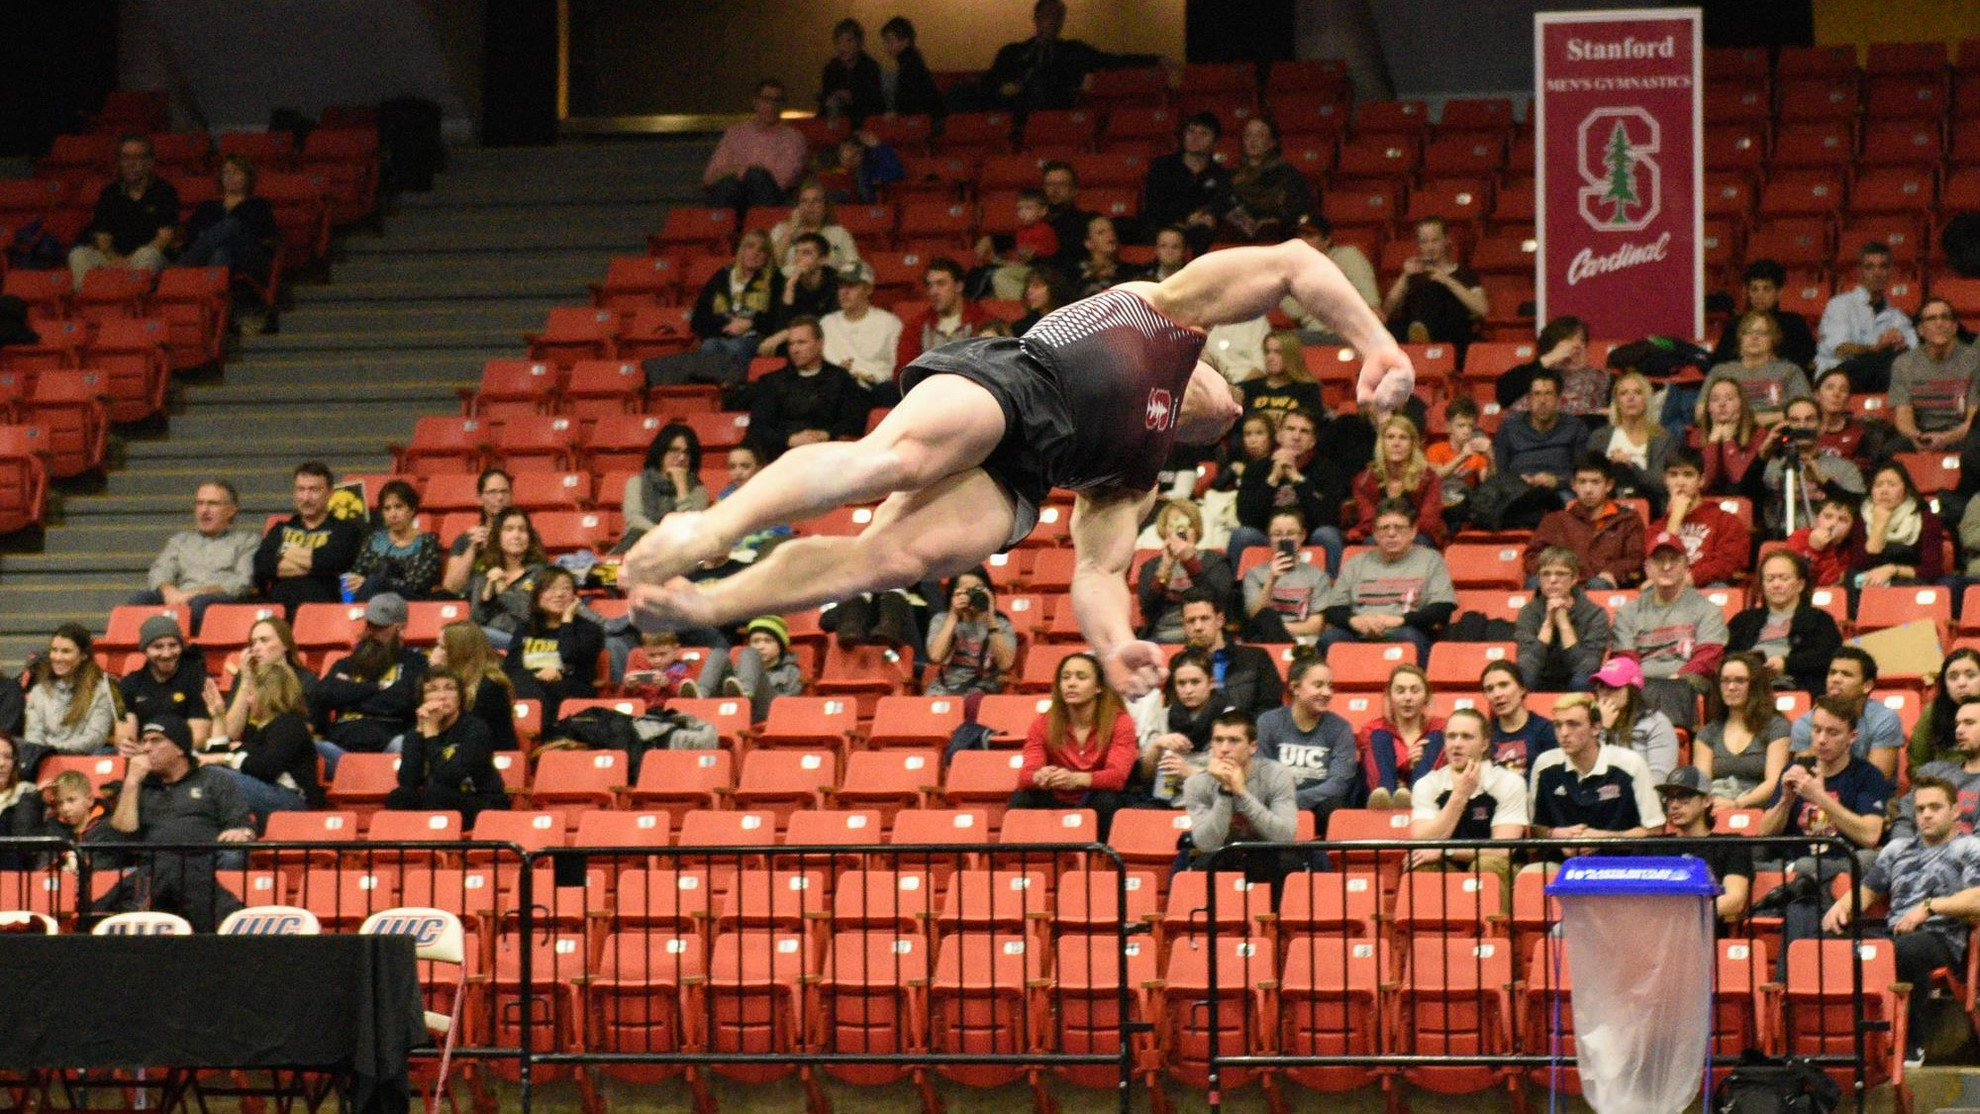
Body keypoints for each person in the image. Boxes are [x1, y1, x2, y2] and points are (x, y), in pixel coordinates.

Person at [624, 237, 1416, 701]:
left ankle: (704, 601)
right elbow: (1295, 265)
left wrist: (1113, 646)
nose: (1231, 409)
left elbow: (1100, 572)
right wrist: (1375, 343)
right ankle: (710, 526)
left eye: (1223, 420)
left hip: (1026, 475)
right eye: (1227, 396)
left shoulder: (1137, 468)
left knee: (890, 560)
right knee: (892, 460)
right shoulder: (1168, 309)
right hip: (1018, 380)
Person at [1820, 776, 1980, 1066]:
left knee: (1906, 949)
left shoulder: (1970, 848)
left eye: (1935, 807)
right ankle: (1839, 1040)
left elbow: (1977, 900)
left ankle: (1911, 1042)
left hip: (1943, 938)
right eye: (1920, 809)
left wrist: (1929, 907)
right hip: (1895, 934)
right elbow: (1866, 893)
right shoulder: (1897, 849)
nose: (1926, 815)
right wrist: (1839, 910)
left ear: (1955, 812)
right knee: (1833, 945)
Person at [98, 714, 254, 932]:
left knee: (173, 865)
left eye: (156, 740)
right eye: (144, 741)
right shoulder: (141, 786)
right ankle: (230, 922)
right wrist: (132, 782)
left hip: (201, 863)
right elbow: (123, 834)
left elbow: (239, 822)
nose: (146, 748)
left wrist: (241, 832)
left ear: (180, 749)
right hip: (153, 869)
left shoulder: (213, 779)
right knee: (164, 865)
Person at [1010, 651, 1139, 839]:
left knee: (1107, 799)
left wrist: (1075, 779)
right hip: (1055, 796)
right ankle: (1016, 861)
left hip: (1094, 798)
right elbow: (1025, 776)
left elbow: (1117, 777)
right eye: (1065, 677)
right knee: (1022, 796)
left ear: (1098, 687)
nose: (1071, 683)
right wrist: (1040, 776)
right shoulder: (1043, 722)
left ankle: (1099, 861)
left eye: (1081, 677)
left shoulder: (1120, 722)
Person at [1764, 695, 1893, 881]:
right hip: (1797, 867)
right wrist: (1785, 800)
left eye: (1833, 732)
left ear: (1852, 737)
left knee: (1865, 860)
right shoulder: (1795, 769)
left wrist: (1819, 798)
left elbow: (1870, 835)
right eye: (1817, 730)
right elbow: (1765, 834)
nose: (1822, 739)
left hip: (1843, 868)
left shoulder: (1868, 775)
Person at [1610, 531, 1729, 730]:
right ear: (1647, 568)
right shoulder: (1628, 612)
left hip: (1686, 684)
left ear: (1686, 566)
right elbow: (1625, 659)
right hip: (1640, 685)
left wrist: (1675, 681)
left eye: (1673, 560)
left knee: (1676, 690)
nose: (1666, 567)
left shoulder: (1707, 610)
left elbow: (1708, 658)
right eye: (1658, 561)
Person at [1319, 499, 1458, 664]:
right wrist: (1354, 621)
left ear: (1413, 531)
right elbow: (1333, 609)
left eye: (1399, 528)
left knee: (1405, 636)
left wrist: (1400, 620)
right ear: (1375, 533)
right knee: (1330, 638)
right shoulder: (1356, 563)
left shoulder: (1431, 560)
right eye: (1384, 528)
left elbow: (1442, 609)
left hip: (1405, 631)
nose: (1391, 534)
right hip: (1359, 633)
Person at [1527, 693, 1664, 854]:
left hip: (1621, 865)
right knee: (1530, 874)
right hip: (1561, 866)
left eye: (1573, 724)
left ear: (1596, 727)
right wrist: (1554, 835)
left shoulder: (1630, 764)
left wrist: (1605, 839)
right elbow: (1536, 829)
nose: (1563, 733)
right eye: (1558, 725)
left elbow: (1654, 830)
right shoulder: (1544, 764)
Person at [1407, 708, 1527, 889]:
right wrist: (1459, 796)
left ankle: (1492, 918)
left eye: (1466, 737)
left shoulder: (1509, 782)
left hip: (1499, 868)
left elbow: (1502, 850)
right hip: (1450, 867)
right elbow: (1423, 842)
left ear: (1485, 744)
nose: (1456, 744)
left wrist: (1446, 851)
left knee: (1486, 865)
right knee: (1422, 864)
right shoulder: (1427, 784)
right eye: (1451, 736)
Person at [198, 657, 325, 828]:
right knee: (208, 775)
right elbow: (217, 759)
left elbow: (267, 767)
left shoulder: (289, 724)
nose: (248, 701)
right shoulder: (258, 729)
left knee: (212, 776)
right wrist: (219, 716)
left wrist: (224, 758)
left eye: (250, 694)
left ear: (267, 693)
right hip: (267, 793)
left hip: (290, 801)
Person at [971, 0, 1157, 114]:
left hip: (1053, 105)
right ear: (1036, 18)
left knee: (1040, 86)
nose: (1053, 21)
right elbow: (990, 82)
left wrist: (1155, 60)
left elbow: (1112, 61)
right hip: (1012, 108)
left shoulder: (1073, 51)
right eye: (1047, 15)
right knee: (963, 93)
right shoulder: (1012, 52)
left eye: (1058, 16)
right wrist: (1003, 89)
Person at [1181, 711, 1299, 887]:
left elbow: (1284, 836)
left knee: (1285, 863)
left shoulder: (1277, 775)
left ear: (1252, 747)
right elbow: (1206, 844)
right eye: (1218, 740)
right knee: (1204, 864)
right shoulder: (1196, 784)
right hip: (1221, 855)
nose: (1224, 749)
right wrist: (1225, 791)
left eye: (1234, 740)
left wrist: (1242, 793)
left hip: (1267, 855)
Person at [386, 671, 510, 828]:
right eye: (433, 690)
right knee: (399, 797)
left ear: (460, 698)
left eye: (449, 689)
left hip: (481, 803)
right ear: (421, 699)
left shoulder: (476, 729)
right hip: (437, 800)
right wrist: (419, 733)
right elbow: (408, 781)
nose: (442, 696)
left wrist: (431, 734)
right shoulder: (414, 734)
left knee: (435, 793)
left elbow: (449, 776)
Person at [131, 481, 258, 629]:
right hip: (180, 598)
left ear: (231, 510)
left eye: (213, 504)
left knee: (200, 603)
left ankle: (187, 649)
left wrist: (195, 593)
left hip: (220, 602)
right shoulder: (180, 541)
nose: (204, 510)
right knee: (140, 599)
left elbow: (243, 582)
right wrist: (168, 591)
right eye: (199, 503)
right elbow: (160, 571)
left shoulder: (247, 541)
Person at [1234, 408, 1348, 573]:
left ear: (1312, 441)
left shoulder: (1327, 470)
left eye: (1304, 431)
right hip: (1269, 537)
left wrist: (1297, 478)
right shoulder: (1256, 468)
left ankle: (1332, 592)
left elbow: (1327, 517)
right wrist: (1273, 479)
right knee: (1242, 535)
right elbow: (1247, 517)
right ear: (1279, 435)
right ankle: (1239, 595)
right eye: (1290, 429)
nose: (1296, 436)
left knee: (1328, 534)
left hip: (1308, 537)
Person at [1256, 654, 1361, 831]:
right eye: (1318, 685)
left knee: (1335, 807)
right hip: (1273, 807)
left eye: (1330, 686)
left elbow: (1338, 784)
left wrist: (1292, 800)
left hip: (1320, 807)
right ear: (1295, 687)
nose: (1327, 693)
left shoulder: (1340, 728)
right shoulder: (1269, 722)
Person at [316, 593, 425, 758]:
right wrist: (376, 688)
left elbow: (401, 702)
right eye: (369, 625)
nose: (371, 632)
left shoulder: (415, 663)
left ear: (400, 628)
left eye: (380, 627)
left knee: (404, 745)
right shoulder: (346, 663)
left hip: (387, 751)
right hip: (339, 753)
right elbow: (325, 693)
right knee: (300, 743)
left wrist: (349, 696)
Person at [749, 316, 873, 460]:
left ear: (820, 343)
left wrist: (827, 435)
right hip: (781, 457)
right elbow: (758, 428)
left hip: (830, 455)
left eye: (801, 343)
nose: (795, 349)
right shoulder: (771, 382)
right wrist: (790, 439)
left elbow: (855, 419)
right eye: (791, 344)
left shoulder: (840, 379)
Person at [253, 461, 364, 618]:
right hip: (277, 612)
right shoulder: (280, 528)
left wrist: (283, 553)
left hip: (322, 611)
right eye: (301, 489)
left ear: (330, 493)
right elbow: (262, 564)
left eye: (314, 490)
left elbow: (333, 561)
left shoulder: (345, 530)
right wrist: (313, 566)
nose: (306, 497)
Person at [67, 134, 177, 288]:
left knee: (147, 255)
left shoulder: (165, 192)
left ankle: (130, 303)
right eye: (126, 158)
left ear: (149, 162)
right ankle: (92, 302)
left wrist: (129, 261)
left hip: (149, 257)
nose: (131, 164)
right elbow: (103, 236)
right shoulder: (110, 193)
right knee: (79, 254)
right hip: (114, 257)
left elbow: (164, 239)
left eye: (138, 157)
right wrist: (115, 259)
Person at [1728, 550, 1843, 694]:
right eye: (1770, 579)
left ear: (1800, 584)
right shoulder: (1743, 620)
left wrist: (1787, 664)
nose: (1776, 585)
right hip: (1749, 687)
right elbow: (1726, 655)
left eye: (1783, 578)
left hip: (1797, 685)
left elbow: (1829, 656)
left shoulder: (1819, 619)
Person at [1652, 766, 1755, 927]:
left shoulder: (1732, 845)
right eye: (1670, 798)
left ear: (1707, 800)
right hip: (1657, 934)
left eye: (1683, 796)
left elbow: (1734, 900)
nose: (1674, 805)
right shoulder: (1652, 846)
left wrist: (1680, 913)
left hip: (1708, 935)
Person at [1525, 456, 1645, 590]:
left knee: (1598, 584)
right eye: (1582, 482)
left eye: (1595, 482)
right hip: (1562, 588)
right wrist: (1557, 571)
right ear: (1573, 485)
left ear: (1609, 485)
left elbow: (1636, 559)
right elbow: (1531, 557)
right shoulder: (1555, 520)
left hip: (1602, 588)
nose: (1588, 490)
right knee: (1534, 582)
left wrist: (1612, 572)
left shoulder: (1627, 519)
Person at [1165, 587, 1284, 721]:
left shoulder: (1256, 658)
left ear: (1220, 620)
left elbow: (1270, 710)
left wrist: (1239, 726)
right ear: (1184, 625)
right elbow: (1175, 712)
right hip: (1196, 736)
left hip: (1245, 735)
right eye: (1191, 621)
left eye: (1204, 619)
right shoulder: (1179, 664)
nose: (1198, 627)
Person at [1691, 652, 1791, 809]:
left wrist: (1737, 804)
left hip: (1762, 811)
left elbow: (1775, 782)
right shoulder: (1707, 733)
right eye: (1725, 681)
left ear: (1755, 685)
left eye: (1740, 681)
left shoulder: (1777, 727)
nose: (1731, 687)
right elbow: (1702, 786)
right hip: (1717, 808)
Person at [504, 568, 604, 722]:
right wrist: (537, 674)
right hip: (528, 685)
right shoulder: (526, 629)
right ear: (537, 596)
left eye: (566, 588)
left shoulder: (590, 629)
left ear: (574, 596)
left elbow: (571, 657)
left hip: (570, 690)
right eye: (551, 588)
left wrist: (567, 621)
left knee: (548, 688)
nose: (559, 594)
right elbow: (512, 666)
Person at [1789, 647, 1905, 779]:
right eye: (1832, 673)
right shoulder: (1806, 723)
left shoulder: (1884, 719)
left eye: (1846, 674)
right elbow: (1805, 777)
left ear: (1867, 686)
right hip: (1819, 792)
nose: (1836, 679)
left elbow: (1876, 781)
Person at [1816, 241, 1918, 391]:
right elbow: (1840, 349)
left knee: (1902, 363)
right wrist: (1876, 348)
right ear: (1860, 272)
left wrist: (1900, 343)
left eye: (1883, 267)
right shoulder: (1840, 304)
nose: (1877, 273)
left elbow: (1913, 351)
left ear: (1890, 271)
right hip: (1838, 375)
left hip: (1880, 376)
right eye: (1870, 267)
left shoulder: (1898, 317)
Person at [1760, 398, 1866, 537]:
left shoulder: (1845, 468)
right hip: (1779, 538)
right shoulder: (1770, 467)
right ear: (1785, 426)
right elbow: (1746, 498)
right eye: (1795, 420)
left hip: (1827, 539)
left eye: (1809, 420)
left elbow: (1859, 507)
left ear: (1821, 426)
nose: (1802, 425)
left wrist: (1823, 481)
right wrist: (1762, 457)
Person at [702, 79, 807, 218]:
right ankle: (722, 234)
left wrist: (743, 171)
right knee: (727, 185)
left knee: (756, 177)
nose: (771, 106)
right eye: (766, 100)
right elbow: (710, 177)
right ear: (755, 101)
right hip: (735, 198)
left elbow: (783, 180)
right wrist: (737, 171)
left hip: (770, 200)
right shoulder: (735, 133)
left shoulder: (793, 138)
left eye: (777, 101)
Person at [1515, 547, 1612, 693]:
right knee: (1523, 679)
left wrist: (1563, 623)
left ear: (1574, 578)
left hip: (1577, 679)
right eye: (1545, 574)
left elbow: (1588, 667)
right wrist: (1548, 623)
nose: (1552, 580)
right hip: (1541, 678)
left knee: (1583, 680)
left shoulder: (1595, 614)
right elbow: (1526, 667)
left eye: (1560, 574)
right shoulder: (1528, 613)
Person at [1649, 448, 1750, 588]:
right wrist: (1674, 520)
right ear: (1666, 480)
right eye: (1673, 475)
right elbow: (1657, 566)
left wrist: (1692, 577)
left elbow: (1729, 562)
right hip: (1668, 591)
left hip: (1705, 588)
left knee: (1718, 587)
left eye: (1688, 475)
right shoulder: (1656, 529)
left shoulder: (1725, 521)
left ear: (1701, 480)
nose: (1680, 482)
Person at [1383, 216, 1488, 349]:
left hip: (1450, 334)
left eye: (1435, 241)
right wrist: (1404, 276)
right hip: (1411, 332)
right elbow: (1387, 309)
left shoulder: (1465, 274)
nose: (1429, 247)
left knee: (1435, 293)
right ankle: (1420, 334)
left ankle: (1423, 334)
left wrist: (1447, 281)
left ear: (1446, 241)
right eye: (1424, 242)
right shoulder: (1413, 275)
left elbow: (1482, 309)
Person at [1136, 499, 1232, 642]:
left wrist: (1190, 562)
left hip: (1206, 636)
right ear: (1164, 530)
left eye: (1186, 524)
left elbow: (1220, 601)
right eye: (1173, 524)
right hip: (1164, 635)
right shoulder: (1151, 566)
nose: (1180, 530)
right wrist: (1165, 570)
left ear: (1196, 529)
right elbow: (1148, 609)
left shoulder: (1214, 561)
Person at [1892, 296, 1980, 451]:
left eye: (1945, 317)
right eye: (1931, 319)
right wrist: (1917, 437)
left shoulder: (1974, 361)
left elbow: (1974, 419)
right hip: (1922, 434)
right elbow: (1903, 416)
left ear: (1954, 327)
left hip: (1962, 435)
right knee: (1889, 451)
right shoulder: (1903, 364)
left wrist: (1946, 438)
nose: (1939, 324)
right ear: (1920, 330)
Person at [1347, 415, 1447, 547]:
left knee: (1420, 541)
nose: (1396, 443)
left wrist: (1400, 534)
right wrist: (1390, 534)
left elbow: (1429, 521)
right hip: (1379, 537)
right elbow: (1368, 521)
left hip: (1417, 536)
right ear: (1381, 444)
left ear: (1413, 444)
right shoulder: (1363, 481)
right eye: (1390, 437)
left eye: (1403, 437)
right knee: (1370, 541)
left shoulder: (1429, 478)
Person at [1493, 369, 1589, 507]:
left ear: (1558, 399)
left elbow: (1583, 474)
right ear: (1529, 399)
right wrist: (1518, 480)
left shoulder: (1576, 427)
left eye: (1548, 394)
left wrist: (1557, 481)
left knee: (1572, 507)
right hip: (1517, 491)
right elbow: (1500, 472)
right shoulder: (1509, 426)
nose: (1542, 401)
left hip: (1559, 491)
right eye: (1536, 394)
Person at [178, 154, 277, 285]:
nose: (230, 176)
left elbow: (262, 236)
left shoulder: (259, 205)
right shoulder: (208, 206)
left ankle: (179, 269)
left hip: (250, 257)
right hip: (214, 258)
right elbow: (194, 235)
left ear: (248, 177)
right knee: (221, 253)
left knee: (231, 225)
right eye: (226, 172)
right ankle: (212, 299)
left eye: (236, 172)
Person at [1139, 650, 1222, 805]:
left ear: (1211, 683)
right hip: (1166, 798)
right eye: (1181, 683)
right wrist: (1157, 746)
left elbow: (1234, 778)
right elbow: (1145, 776)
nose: (1188, 690)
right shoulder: (1163, 716)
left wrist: (1189, 772)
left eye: (1195, 682)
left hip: (1212, 801)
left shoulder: (1229, 718)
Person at [24, 624, 118, 760]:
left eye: (66, 651)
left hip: (85, 761)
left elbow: (94, 739)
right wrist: (45, 752)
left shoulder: (102, 690)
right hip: (44, 761)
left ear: (84, 655)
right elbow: (33, 737)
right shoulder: (38, 692)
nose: (57, 657)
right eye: (54, 650)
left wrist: (52, 749)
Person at [1700, 311, 1811, 425]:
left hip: (1776, 431)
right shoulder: (1720, 372)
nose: (1754, 337)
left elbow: (1805, 411)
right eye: (1748, 332)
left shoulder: (1790, 371)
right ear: (1740, 338)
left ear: (1773, 338)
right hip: (1730, 432)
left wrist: (1755, 420)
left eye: (1761, 333)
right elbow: (1700, 412)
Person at [118, 614, 212, 749]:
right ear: (145, 650)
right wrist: (133, 748)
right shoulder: (130, 683)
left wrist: (160, 752)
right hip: (143, 753)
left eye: (173, 645)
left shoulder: (197, 679)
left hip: (183, 756)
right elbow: (124, 737)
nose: (167, 654)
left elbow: (198, 739)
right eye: (158, 647)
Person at [690, 229, 783, 363]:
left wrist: (751, 323)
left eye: (762, 250)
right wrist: (725, 327)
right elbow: (699, 316)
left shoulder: (775, 279)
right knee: (709, 346)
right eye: (750, 247)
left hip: (755, 337)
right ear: (741, 250)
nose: (755, 253)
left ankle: (733, 383)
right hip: (720, 335)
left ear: (767, 256)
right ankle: (711, 384)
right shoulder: (722, 275)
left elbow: (777, 315)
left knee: (736, 346)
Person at [1707, 258, 1817, 370]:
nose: (1759, 295)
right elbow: (1719, 363)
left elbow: (1806, 359)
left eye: (1766, 289)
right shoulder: (1735, 324)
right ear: (1748, 292)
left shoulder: (1794, 323)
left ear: (1779, 292)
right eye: (1754, 289)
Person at [427, 621, 520, 753]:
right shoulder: (442, 683)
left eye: (442, 647)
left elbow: (469, 737)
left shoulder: (488, 687)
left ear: (458, 653)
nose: (434, 652)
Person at [344, 479, 441, 602]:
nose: (393, 514)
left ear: (411, 510)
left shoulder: (427, 541)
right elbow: (357, 573)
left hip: (412, 602)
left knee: (374, 582)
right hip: (373, 601)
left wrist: (376, 582)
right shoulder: (374, 540)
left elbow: (418, 584)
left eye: (398, 507)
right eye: (387, 509)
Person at [1360, 664, 1444, 806]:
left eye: (1415, 690)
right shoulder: (1373, 729)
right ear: (1390, 696)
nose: (1407, 697)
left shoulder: (1441, 727)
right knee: (1379, 736)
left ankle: (1416, 798)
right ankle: (1385, 798)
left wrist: (1417, 766)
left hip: (1430, 800)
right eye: (1400, 691)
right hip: (1386, 794)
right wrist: (1407, 764)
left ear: (1426, 696)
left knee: (1436, 738)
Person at [925, 567, 1018, 696]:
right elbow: (935, 657)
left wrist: (990, 619)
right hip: (943, 690)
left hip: (982, 691)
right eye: (966, 591)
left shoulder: (1000, 623)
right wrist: (953, 615)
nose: (972, 595)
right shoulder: (942, 620)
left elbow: (1006, 665)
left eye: (977, 589)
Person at [696, 615, 805, 723]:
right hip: (732, 709)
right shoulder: (741, 667)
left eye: (768, 641)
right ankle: (699, 695)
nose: (760, 646)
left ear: (780, 646)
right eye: (755, 641)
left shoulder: (790, 669)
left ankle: (745, 693)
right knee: (718, 653)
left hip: (766, 711)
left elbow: (790, 702)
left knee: (751, 653)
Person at [1852, 460, 1946, 586]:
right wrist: (1878, 526)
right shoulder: (1862, 517)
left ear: (1906, 490)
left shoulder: (1926, 519)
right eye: (1878, 485)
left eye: (1892, 485)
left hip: (1910, 580)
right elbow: (1860, 565)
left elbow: (1932, 571)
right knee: (1852, 578)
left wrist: (1892, 570)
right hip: (1871, 581)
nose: (1884, 491)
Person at [1220, 115, 1312, 243]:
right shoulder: (1231, 175)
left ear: (1271, 142)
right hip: (1238, 231)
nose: (1252, 140)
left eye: (1259, 135)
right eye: (1248, 135)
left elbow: (1300, 207)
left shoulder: (1287, 174)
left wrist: (1273, 219)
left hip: (1275, 232)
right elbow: (1222, 202)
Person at [1241, 509, 1329, 643]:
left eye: (1291, 533)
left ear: (1302, 535)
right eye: (1277, 534)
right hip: (1263, 641)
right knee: (1266, 617)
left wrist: (1277, 629)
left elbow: (1315, 626)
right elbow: (1254, 615)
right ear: (1269, 538)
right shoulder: (1254, 574)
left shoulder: (1318, 576)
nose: (1284, 539)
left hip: (1303, 641)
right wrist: (1271, 580)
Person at [1141, 112, 1228, 247]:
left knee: (1204, 233)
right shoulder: (1162, 166)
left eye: (1203, 133)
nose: (1195, 137)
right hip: (1162, 227)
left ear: (1215, 142)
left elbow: (1218, 206)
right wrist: (1184, 220)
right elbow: (1153, 206)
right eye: (1191, 131)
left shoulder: (1219, 175)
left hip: (1197, 232)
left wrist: (1206, 217)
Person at [467, 507, 549, 651]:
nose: (516, 535)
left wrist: (502, 590)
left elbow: (527, 615)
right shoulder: (486, 573)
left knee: (474, 636)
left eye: (522, 530)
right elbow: (476, 619)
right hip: (489, 643)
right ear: (498, 536)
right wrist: (487, 595)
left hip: (530, 642)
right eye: (509, 529)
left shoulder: (541, 572)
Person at [1589, 656, 1681, 784]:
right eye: (1601, 686)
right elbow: (1587, 772)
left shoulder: (1657, 724)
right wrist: (1603, 730)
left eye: (1613, 687)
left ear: (1632, 690)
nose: (1604, 693)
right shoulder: (1592, 724)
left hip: (1639, 799)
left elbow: (1657, 782)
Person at [820, 261, 903, 401]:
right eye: (841, 286)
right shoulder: (826, 323)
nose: (844, 292)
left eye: (851, 286)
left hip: (874, 388)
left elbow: (897, 366)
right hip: (834, 390)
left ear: (868, 289)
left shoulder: (889, 323)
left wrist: (872, 377)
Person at [1497, 316, 1608, 417]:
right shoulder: (1533, 373)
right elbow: (1504, 395)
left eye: (1582, 341)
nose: (1576, 348)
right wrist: (1550, 359)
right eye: (1567, 341)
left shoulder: (1602, 379)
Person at [621, 422, 708, 549]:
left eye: (687, 452)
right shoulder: (636, 483)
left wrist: (681, 487)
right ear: (661, 452)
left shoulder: (698, 490)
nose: (682, 457)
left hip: (678, 550)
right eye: (674, 450)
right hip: (639, 543)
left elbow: (689, 528)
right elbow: (635, 520)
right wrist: (664, 536)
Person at [1591, 371, 1672, 503]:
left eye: (1638, 393)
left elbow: (1662, 483)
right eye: (1624, 393)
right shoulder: (1599, 437)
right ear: (1616, 401)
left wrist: (1631, 466)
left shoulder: (1662, 437)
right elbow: (1590, 478)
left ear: (1646, 399)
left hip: (1649, 501)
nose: (1630, 398)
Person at [896, 259, 992, 368]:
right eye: (930, 285)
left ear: (958, 286)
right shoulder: (916, 326)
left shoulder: (983, 321)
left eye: (941, 284)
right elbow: (904, 370)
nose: (933, 292)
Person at [758, 233, 841, 352]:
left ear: (823, 260)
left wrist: (786, 334)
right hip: (796, 342)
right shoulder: (788, 282)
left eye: (806, 253)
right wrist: (789, 288)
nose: (798, 258)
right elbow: (779, 327)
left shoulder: (836, 283)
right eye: (796, 252)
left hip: (827, 341)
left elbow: (829, 323)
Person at [439, 469, 514, 597]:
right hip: (470, 600)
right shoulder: (465, 540)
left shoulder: (523, 536)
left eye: (504, 492)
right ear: (479, 499)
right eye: (492, 492)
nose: (500, 497)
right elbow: (451, 587)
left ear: (511, 497)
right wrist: (473, 548)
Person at [1695, 377, 1768, 496]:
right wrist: (1713, 442)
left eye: (1729, 399)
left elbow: (1739, 480)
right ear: (1708, 407)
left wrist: (1728, 440)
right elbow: (1703, 483)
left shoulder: (1758, 434)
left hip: (1746, 500)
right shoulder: (1697, 435)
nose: (1722, 404)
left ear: (1741, 403)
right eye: (1715, 399)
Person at [1292, 216, 1381, 314]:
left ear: (1326, 240)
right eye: (1299, 236)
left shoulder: (1347, 257)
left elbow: (1372, 306)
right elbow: (1294, 313)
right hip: (1307, 328)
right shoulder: (1293, 267)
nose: (1302, 241)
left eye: (1309, 235)